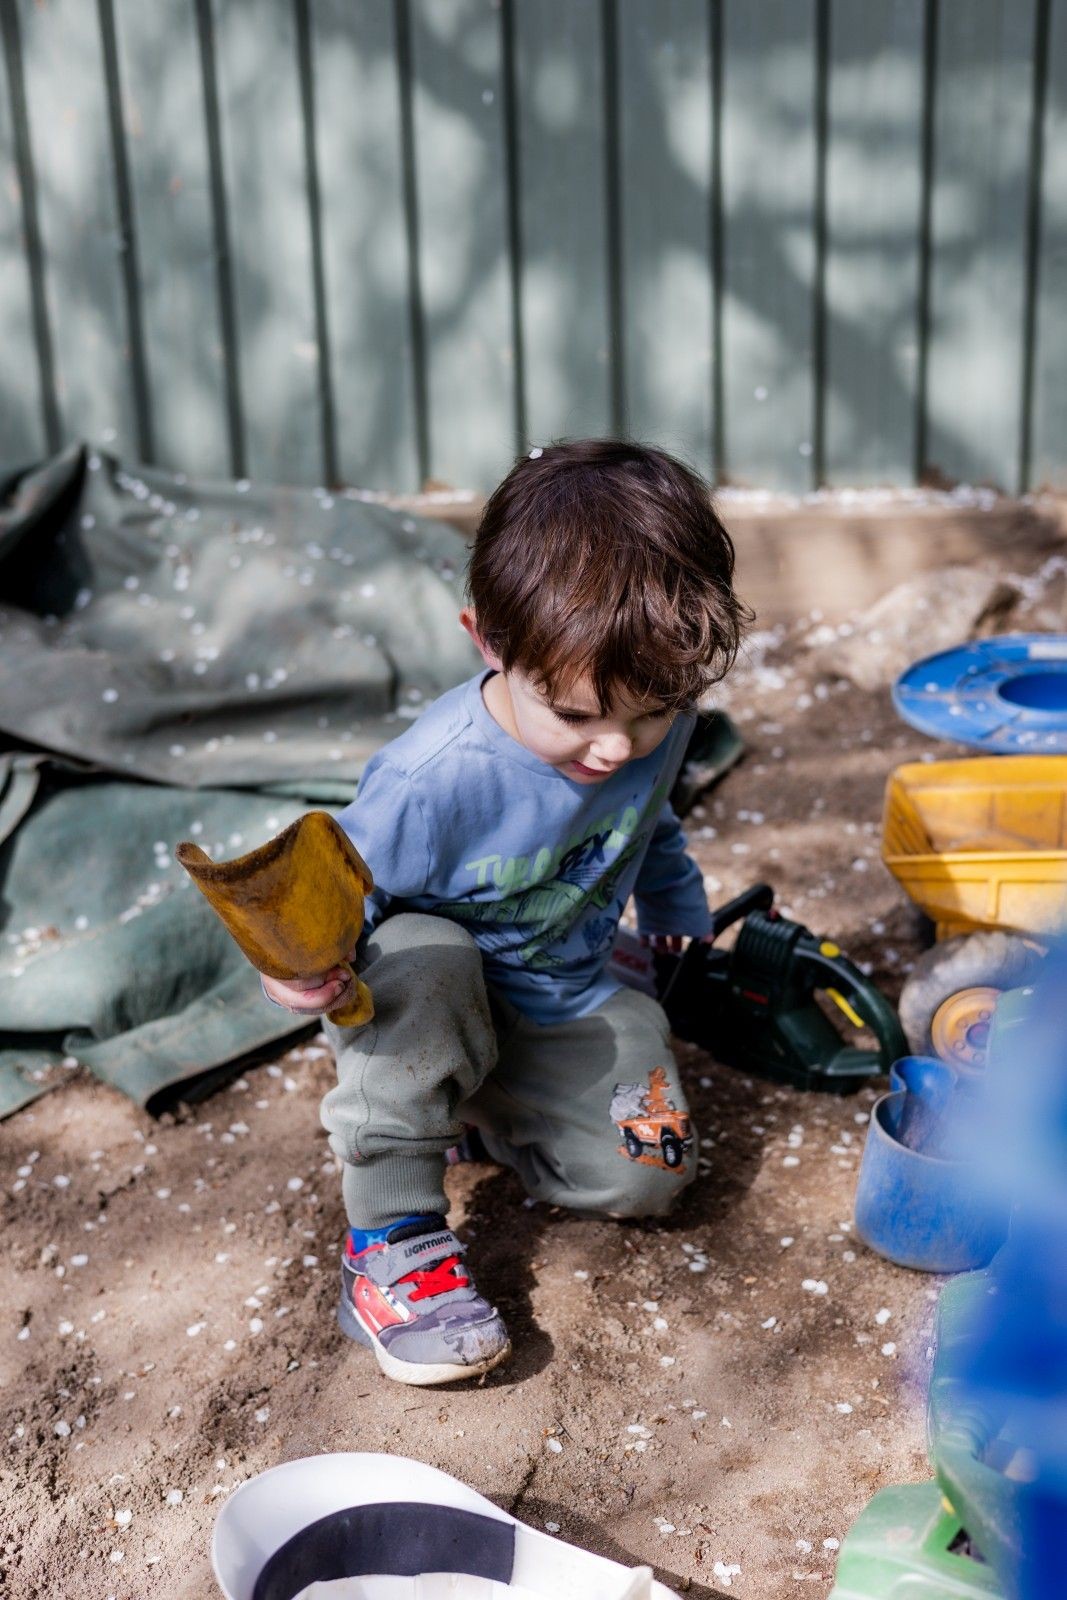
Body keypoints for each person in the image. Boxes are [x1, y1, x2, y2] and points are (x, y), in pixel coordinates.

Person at [260, 439, 750, 1387]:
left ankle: (481, 1110)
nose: (615, 748)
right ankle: (391, 1243)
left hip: (560, 987)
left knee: (651, 1173)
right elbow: (329, 895)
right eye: (575, 715)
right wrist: (296, 963)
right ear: (488, 639)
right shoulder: (431, 778)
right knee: (426, 958)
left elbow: (650, 822)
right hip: (426, 1001)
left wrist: (675, 909)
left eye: (647, 717)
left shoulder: (655, 704)